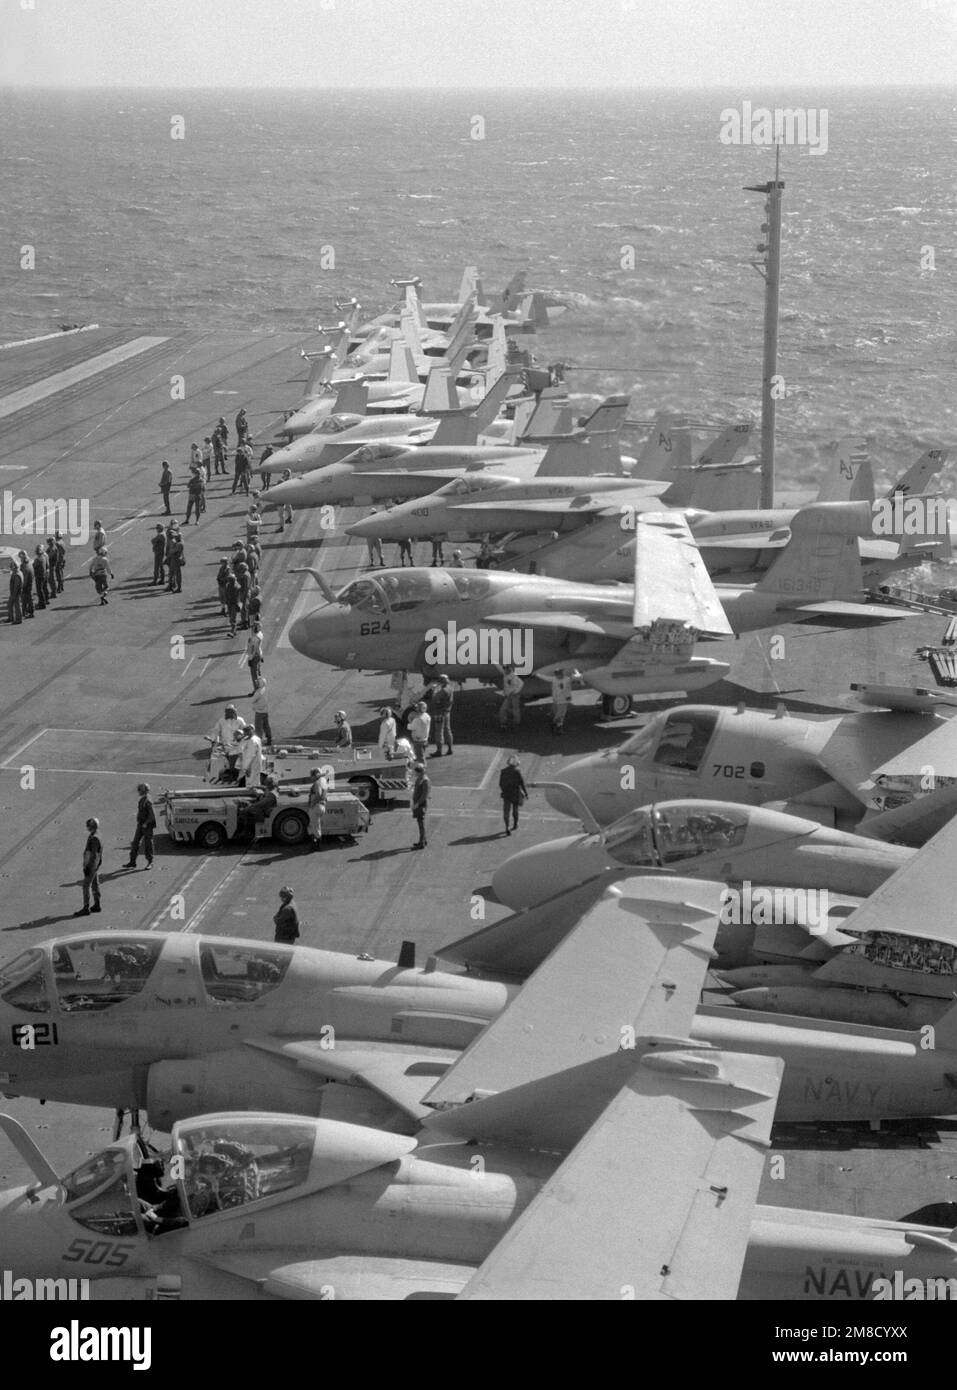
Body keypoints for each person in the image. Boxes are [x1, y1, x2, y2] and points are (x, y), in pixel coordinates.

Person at [125, 783, 156, 869]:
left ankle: (150, 862)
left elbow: (152, 815)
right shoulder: (143, 799)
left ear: (144, 791)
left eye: (140, 790)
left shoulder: (148, 801)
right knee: (135, 843)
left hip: (147, 826)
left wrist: (146, 823)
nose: (139, 792)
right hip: (141, 825)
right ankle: (132, 861)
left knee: (148, 844)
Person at [209, 706, 247, 775]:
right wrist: (214, 741)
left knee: (237, 761)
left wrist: (241, 735)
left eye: (232, 712)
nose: (231, 713)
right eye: (228, 712)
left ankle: (237, 772)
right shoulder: (221, 721)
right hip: (225, 745)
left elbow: (245, 730)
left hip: (237, 745)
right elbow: (216, 731)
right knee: (221, 761)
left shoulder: (240, 720)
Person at [76, 816, 103, 915]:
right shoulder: (96, 834)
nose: (87, 827)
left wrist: (88, 867)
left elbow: (94, 854)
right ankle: (97, 905)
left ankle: (86, 907)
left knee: (86, 886)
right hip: (95, 865)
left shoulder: (94, 838)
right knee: (95, 885)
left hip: (92, 866)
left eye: (88, 826)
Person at [499, 754, 528, 835]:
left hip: (506, 794)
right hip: (515, 793)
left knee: (506, 811)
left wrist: (504, 791)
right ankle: (515, 824)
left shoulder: (503, 771)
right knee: (515, 809)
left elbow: (500, 783)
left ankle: (507, 827)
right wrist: (526, 793)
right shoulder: (517, 771)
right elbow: (521, 783)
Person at [430, 675, 454, 755]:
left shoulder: (443, 691)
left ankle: (439, 751)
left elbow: (434, 699)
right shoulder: (450, 688)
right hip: (447, 712)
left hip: (439, 713)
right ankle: (450, 749)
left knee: (439, 732)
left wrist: (434, 690)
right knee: (448, 730)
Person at [410, 761, 430, 849]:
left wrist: (417, 804)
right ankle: (423, 840)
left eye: (415, 772)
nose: (414, 773)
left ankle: (421, 842)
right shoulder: (420, 779)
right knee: (420, 823)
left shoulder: (424, 781)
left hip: (421, 804)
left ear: (419, 772)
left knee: (421, 824)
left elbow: (424, 795)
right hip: (418, 803)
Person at [306, 768, 327, 846]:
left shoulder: (317, 783)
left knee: (316, 827)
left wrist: (312, 804)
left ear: (315, 775)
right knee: (313, 825)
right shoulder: (323, 781)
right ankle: (315, 842)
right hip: (321, 805)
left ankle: (317, 845)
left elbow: (318, 794)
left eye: (311, 775)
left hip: (316, 806)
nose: (311, 777)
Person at [499, 665, 524, 729]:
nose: (505, 670)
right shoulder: (505, 674)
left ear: (509, 669)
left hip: (514, 696)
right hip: (508, 696)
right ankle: (503, 723)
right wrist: (493, 661)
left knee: (515, 710)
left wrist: (516, 691)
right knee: (503, 709)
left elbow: (521, 683)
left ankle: (516, 724)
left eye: (506, 668)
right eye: (504, 668)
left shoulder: (514, 676)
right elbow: (499, 667)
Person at [550, 667, 574, 735]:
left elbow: (572, 679)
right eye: (558, 674)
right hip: (560, 700)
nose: (559, 675)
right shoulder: (557, 680)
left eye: (560, 674)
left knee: (561, 714)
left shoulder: (566, 679)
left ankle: (558, 727)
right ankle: (555, 725)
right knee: (560, 714)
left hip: (564, 700)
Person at [251, 676, 273, 744]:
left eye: (258, 683)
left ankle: (259, 740)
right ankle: (269, 738)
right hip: (265, 711)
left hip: (259, 711)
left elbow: (253, 700)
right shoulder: (265, 689)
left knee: (258, 727)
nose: (257, 684)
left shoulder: (258, 692)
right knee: (266, 725)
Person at [245, 621, 264, 692]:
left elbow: (255, 649)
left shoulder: (255, 637)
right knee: (257, 670)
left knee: (253, 674)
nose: (251, 628)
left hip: (254, 657)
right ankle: (259, 671)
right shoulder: (260, 634)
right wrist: (261, 656)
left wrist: (250, 659)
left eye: (253, 627)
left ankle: (256, 688)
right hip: (258, 655)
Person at [224, 569, 241, 636]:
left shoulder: (237, 587)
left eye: (230, 580)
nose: (229, 581)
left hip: (234, 604)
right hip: (229, 603)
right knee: (231, 617)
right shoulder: (228, 585)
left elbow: (238, 597)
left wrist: (237, 605)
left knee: (233, 618)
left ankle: (233, 631)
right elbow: (227, 593)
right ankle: (234, 631)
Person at [33, 544, 50, 608]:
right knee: (45, 587)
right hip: (45, 574)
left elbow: (34, 567)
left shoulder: (38, 559)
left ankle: (42, 604)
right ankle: (46, 599)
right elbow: (47, 565)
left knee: (39, 590)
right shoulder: (45, 556)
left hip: (40, 576)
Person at [17, 552, 34, 619]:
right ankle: (26, 612)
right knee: (27, 600)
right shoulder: (29, 564)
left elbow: (25, 579)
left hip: (26, 586)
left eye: (21, 559)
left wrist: (21, 587)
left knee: (27, 600)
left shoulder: (25, 568)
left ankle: (30, 612)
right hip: (29, 585)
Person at [7, 559, 22, 625]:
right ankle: (11, 618)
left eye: (12, 567)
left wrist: (13, 595)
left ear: (15, 567)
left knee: (17, 607)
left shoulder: (17, 575)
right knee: (10, 605)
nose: (11, 568)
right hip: (14, 593)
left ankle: (18, 620)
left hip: (15, 593)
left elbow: (16, 586)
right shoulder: (17, 572)